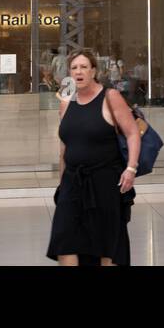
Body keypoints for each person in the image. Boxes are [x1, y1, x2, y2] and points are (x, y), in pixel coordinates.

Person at [47, 49, 141, 266]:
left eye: (83, 67)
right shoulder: (66, 102)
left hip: (105, 182)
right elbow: (65, 147)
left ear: (93, 71)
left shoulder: (110, 97)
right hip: (73, 182)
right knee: (64, 239)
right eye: (74, 68)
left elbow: (132, 133)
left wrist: (131, 168)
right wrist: (62, 184)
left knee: (105, 244)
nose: (78, 72)